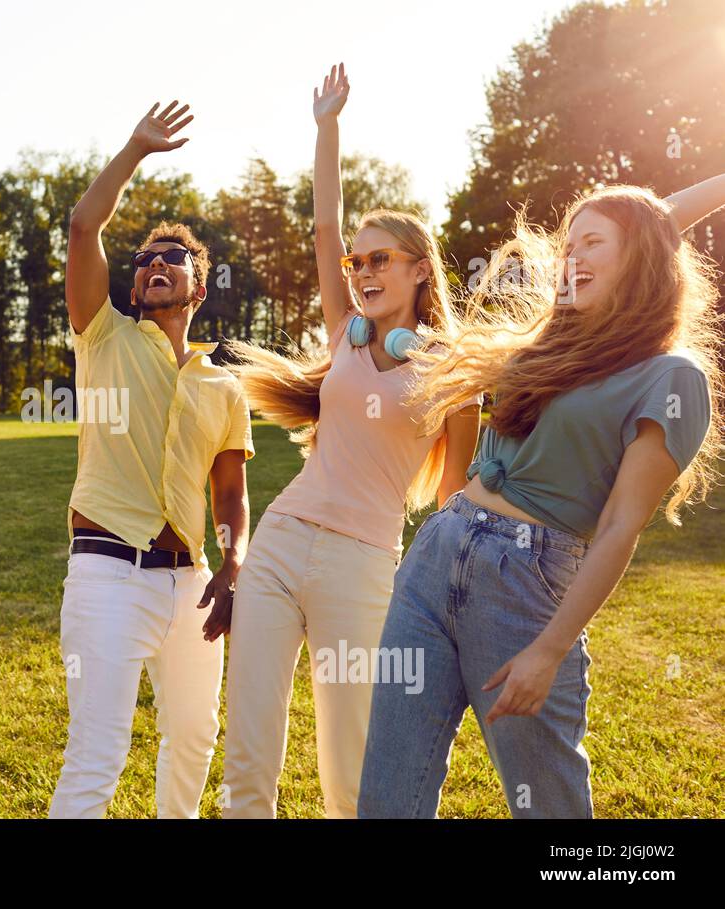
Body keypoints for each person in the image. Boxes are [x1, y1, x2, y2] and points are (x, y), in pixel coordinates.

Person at [357, 174, 725, 818]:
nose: (571, 258)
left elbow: (619, 526)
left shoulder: (671, 378)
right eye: (567, 245)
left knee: (547, 805)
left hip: (526, 583)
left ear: (640, 259)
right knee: (388, 794)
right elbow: (642, 219)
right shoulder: (555, 341)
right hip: (437, 556)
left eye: (592, 244)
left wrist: (550, 648)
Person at [219, 64, 481, 819]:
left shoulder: (451, 373)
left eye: (381, 259)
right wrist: (327, 128)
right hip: (279, 543)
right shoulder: (345, 334)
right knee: (249, 757)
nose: (362, 269)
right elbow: (324, 226)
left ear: (419, 270)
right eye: (358, 262)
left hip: (362, 564)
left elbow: (451, 500)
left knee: (351, 774)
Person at [48, 101, 253, 819]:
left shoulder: (222, 383)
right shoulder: (101, 336)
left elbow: (230, 492)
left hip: (191, 583)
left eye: (175, 259)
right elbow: (82, 226)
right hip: (108, 572)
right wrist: (135, 148)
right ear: (135, 286)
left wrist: (232, 565)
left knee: (195, 740)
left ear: (199, 285)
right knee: (97, 757)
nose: (156, 265)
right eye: (145, 261)